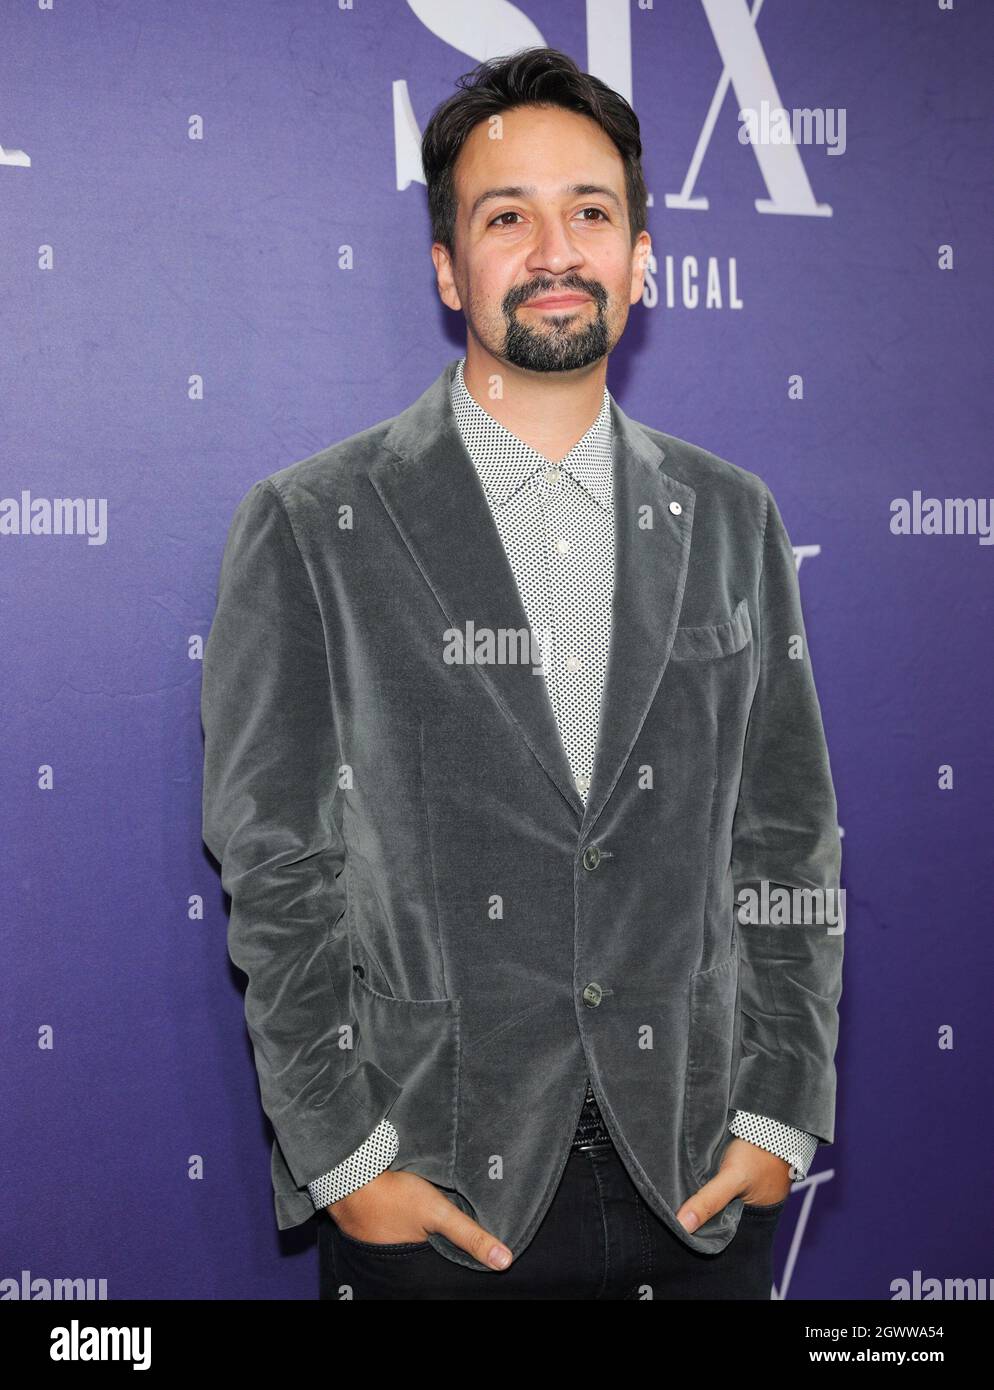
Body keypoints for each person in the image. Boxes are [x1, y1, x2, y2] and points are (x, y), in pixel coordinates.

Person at [201, 46, 843, 1300]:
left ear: (641, 257)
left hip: (695, 1185)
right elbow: (276, 866)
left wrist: (778, 1107)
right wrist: (345, 1158)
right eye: (506, 217)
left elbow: (786, 836)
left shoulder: (732, 518)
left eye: (589, 213)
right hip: (437, 1192)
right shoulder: (313, 525)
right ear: (449, 268)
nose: (555, 251)